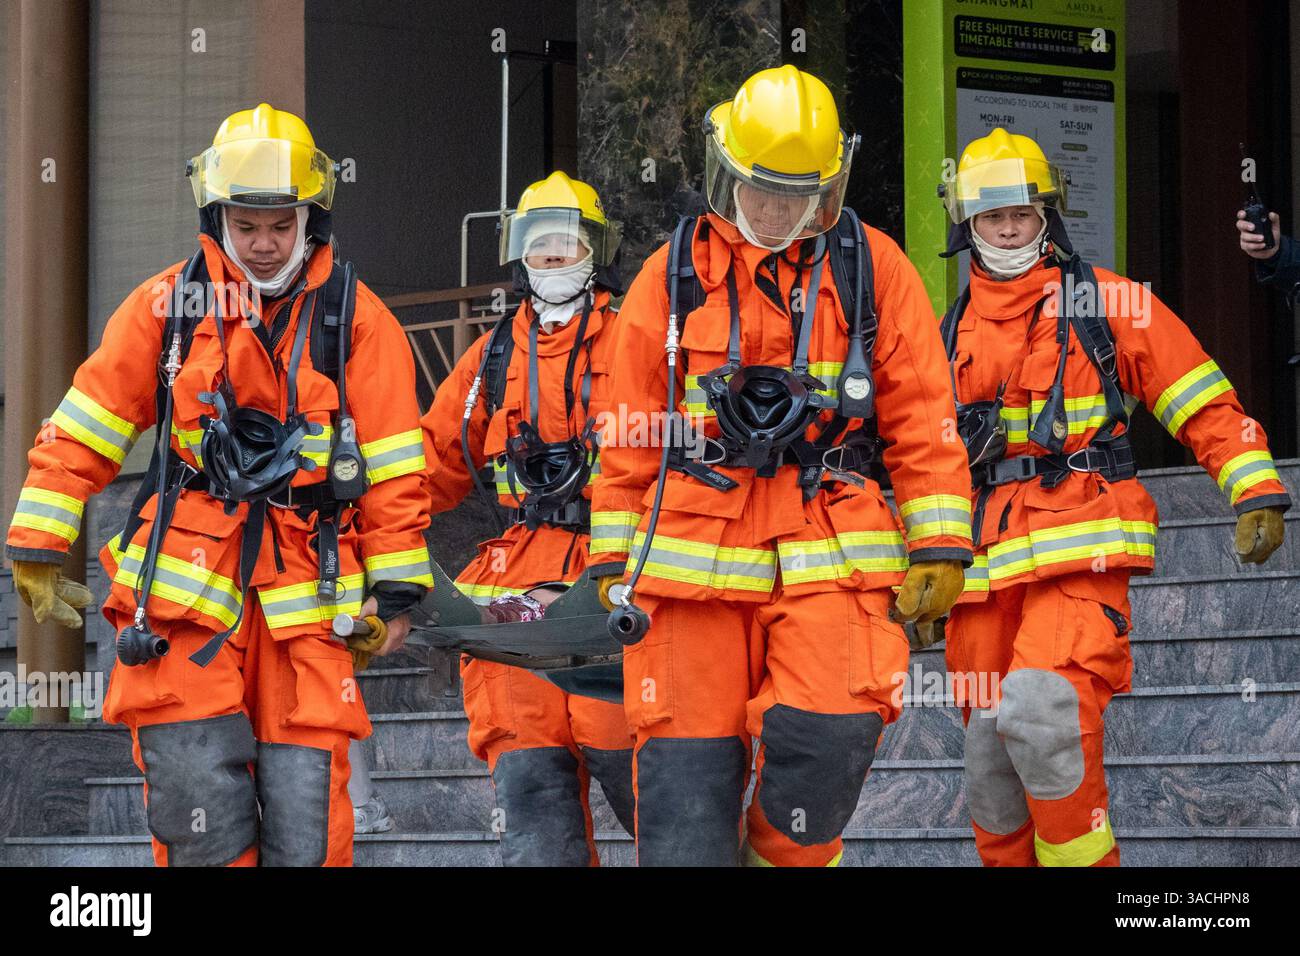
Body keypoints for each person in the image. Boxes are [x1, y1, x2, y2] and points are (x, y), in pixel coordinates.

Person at [6, 104, 433, 866]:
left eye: (280, 225)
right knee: (193, 798)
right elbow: (88, 422)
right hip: (184, 595)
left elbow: (396, 467)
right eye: (246, 225)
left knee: (308, 823)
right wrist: (40, 540)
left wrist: (396, 594)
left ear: (311, 219)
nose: (264, 243)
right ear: (217, 219)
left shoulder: (357, 321)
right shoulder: (167, 307)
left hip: (307, 596)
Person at [589, 65, 974, 867]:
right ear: (725, 174)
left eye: (796, 196)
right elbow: (626, 433)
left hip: (829, 542)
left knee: (833, 736)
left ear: (828, 187)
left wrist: (939, 544)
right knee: (685, 795)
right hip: (688, 564)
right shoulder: (671, 276)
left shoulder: (872, 268)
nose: (774, 212)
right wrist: (609, 560)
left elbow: (922, 416)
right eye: (760, 191)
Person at [940, 128, 1290, 867]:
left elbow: (1197, 394)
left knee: (1045, 716)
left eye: (1023, 213)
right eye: (992, 216)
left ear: (1048, 214)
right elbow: (917, 459)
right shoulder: (946, 330)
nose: (1009, 229)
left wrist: (1253, 484)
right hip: (981, 570)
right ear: (966, 224)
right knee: (990, 761)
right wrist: (915, 570)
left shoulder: (1107, 301)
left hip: (1081, 544)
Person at [419, 172, 636, 866]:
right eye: (540, 242)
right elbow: (428, 464)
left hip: (615, 572)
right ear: (519, 255)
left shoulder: (636, 341)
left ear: (596, 251)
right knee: (533, 797)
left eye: (568, 242)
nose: (554, 255)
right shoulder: (492, 358)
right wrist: (360, 535)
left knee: (655, 790)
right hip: (514, 586)